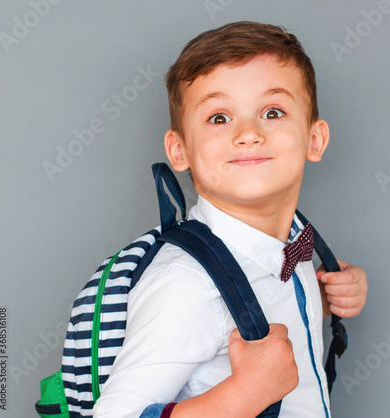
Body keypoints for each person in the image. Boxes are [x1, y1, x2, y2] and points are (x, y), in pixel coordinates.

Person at [93, 21, 368, 417]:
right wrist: (248, 392)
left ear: (314, 139)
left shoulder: (294, 242)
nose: (248, 133)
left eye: (272, 112)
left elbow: (268, 294)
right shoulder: (187, 284)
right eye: (219, 118)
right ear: (179, 150)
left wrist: (328, 297)